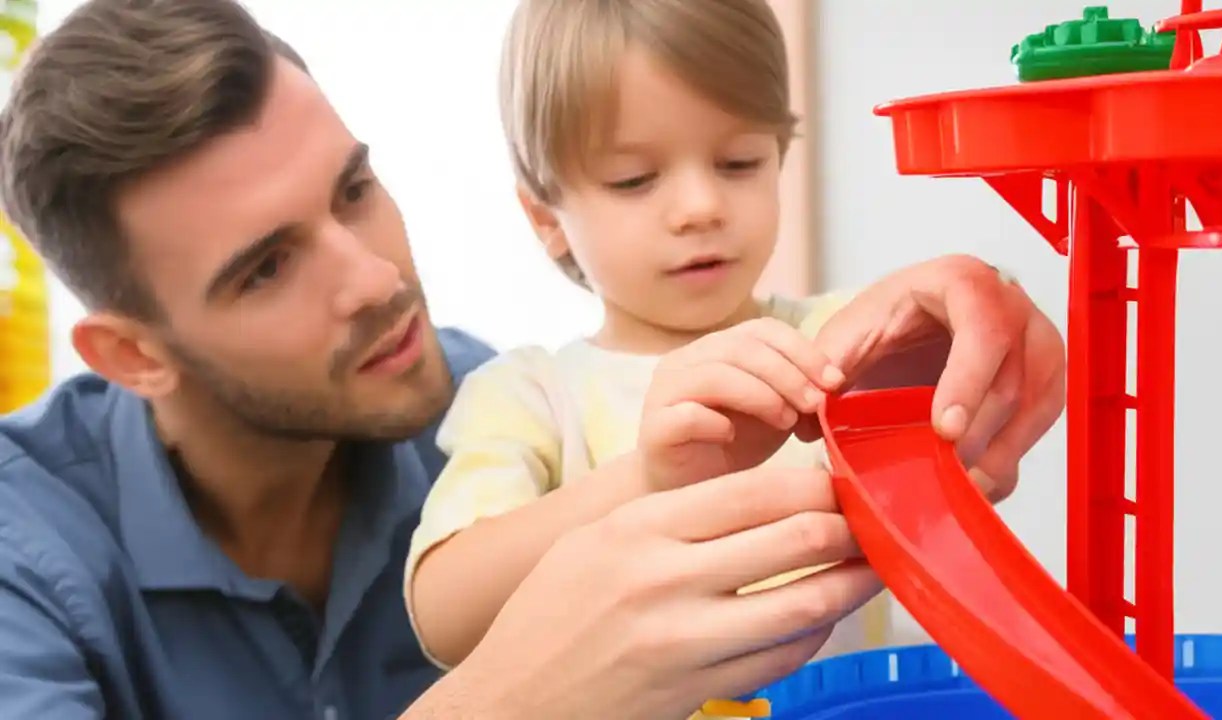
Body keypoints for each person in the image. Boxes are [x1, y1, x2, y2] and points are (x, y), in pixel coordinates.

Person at [0, 1, 1065, 719]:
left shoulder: (460, 392)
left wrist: (985, 341)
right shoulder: (26, 561)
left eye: (354, 190)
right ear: (134, 355)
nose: (373, 279)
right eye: (268, 266)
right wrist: (513, 695)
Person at [404, 0, 896, 691]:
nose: (700, 206)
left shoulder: (833, 338)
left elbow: (952, 354)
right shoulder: (529, 397)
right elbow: (444, 614)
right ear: (547, 219)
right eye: (634, 179)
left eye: (738, 162)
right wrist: (645, 480)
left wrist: (962, 295)